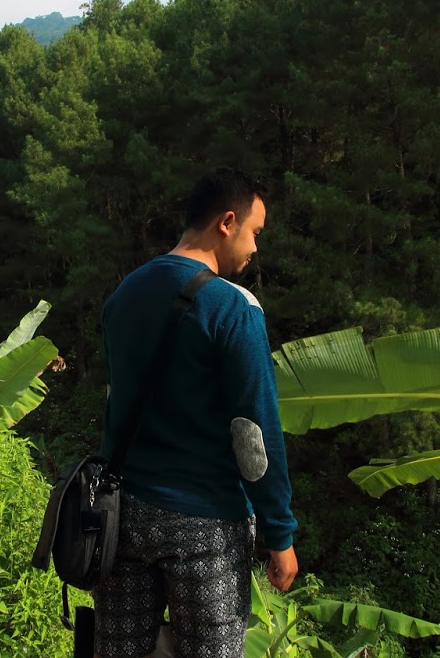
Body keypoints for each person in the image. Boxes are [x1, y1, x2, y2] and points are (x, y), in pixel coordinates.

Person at [95, 166, 299, 658]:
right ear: (227, 222)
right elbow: (254, 433)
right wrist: (280, 533)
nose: (254, 249)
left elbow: (115, 404)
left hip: (125, 518)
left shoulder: (124, 294)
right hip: (205, 526)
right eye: (254, 233)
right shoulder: (233, 308)